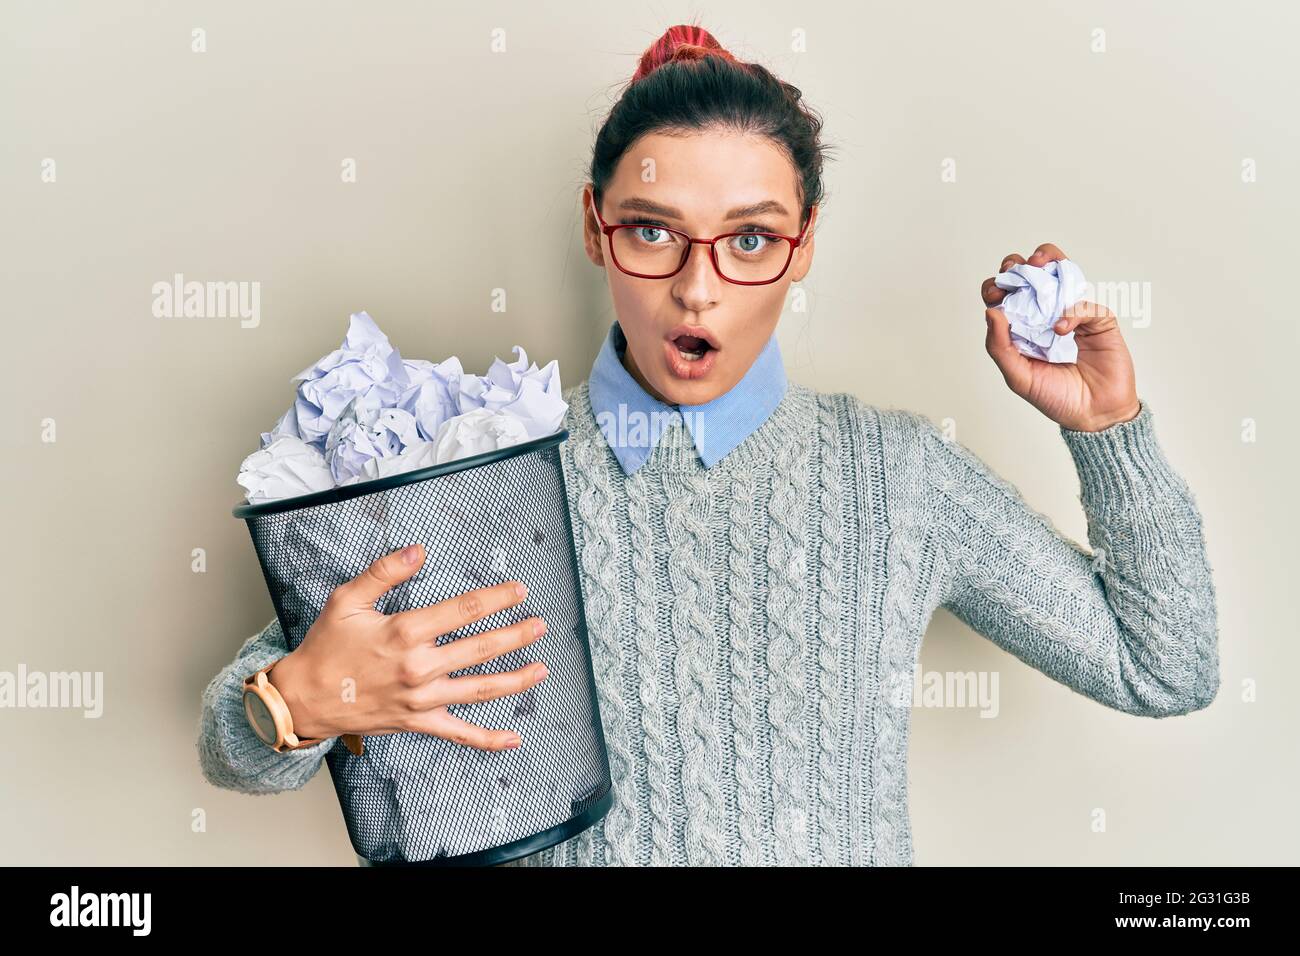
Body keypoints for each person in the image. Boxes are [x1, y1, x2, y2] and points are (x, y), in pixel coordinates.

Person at [197, 22, 1220, 867]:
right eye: (652, 230)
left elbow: (1164, 668)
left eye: (749, 238)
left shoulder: (895, 475)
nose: (697, 288)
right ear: (596, 227)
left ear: (803, 243)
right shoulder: (488, 458)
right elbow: (235, 744)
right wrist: (297, 701)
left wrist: (1107, 433)